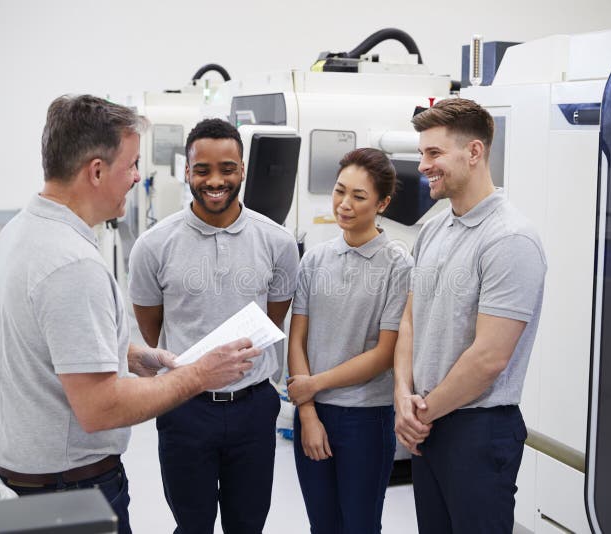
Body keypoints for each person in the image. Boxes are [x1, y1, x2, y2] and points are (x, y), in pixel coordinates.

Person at [0, 95, 262, 534]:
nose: (135, 177)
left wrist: (126, 354)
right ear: (95, 171)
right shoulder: (72, 264)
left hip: (30, 479)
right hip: (68, 491)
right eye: (130, 165)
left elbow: (45, 341)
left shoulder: (23, 230)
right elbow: (100, 407)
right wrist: (199, 375)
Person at [128, 118, 299, 534]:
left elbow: (272, 318)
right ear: (186, 172)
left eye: (227, 168)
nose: (215, 180)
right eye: (202, 170)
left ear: (242, 170)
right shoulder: (153, 245)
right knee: (192, 524)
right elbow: (153, 331)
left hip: (254, 409)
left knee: (248, 523)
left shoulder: (277, 242)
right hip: (185, 409)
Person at [393, 98, 547, 534]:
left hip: (478, 431)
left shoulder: (510, 239)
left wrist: (420, 414)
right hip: (428, 424)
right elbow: (410, 320)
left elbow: (489, 358)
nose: (423, 165)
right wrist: (403, 396)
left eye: (433, 153)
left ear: (474, 152)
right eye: (423, 153)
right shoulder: (435, 229)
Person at [286, 147, 412, 534]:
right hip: (313, 413)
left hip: (365, 419)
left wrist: (313, 385)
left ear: (382, 203)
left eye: (359, 196)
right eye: (341, 191)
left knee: (359, 525)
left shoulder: (397, 264)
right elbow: (297, 339)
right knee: (322, 525)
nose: (344, 204)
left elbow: (385, 354)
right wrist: (308, 414)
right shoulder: (315, 260)